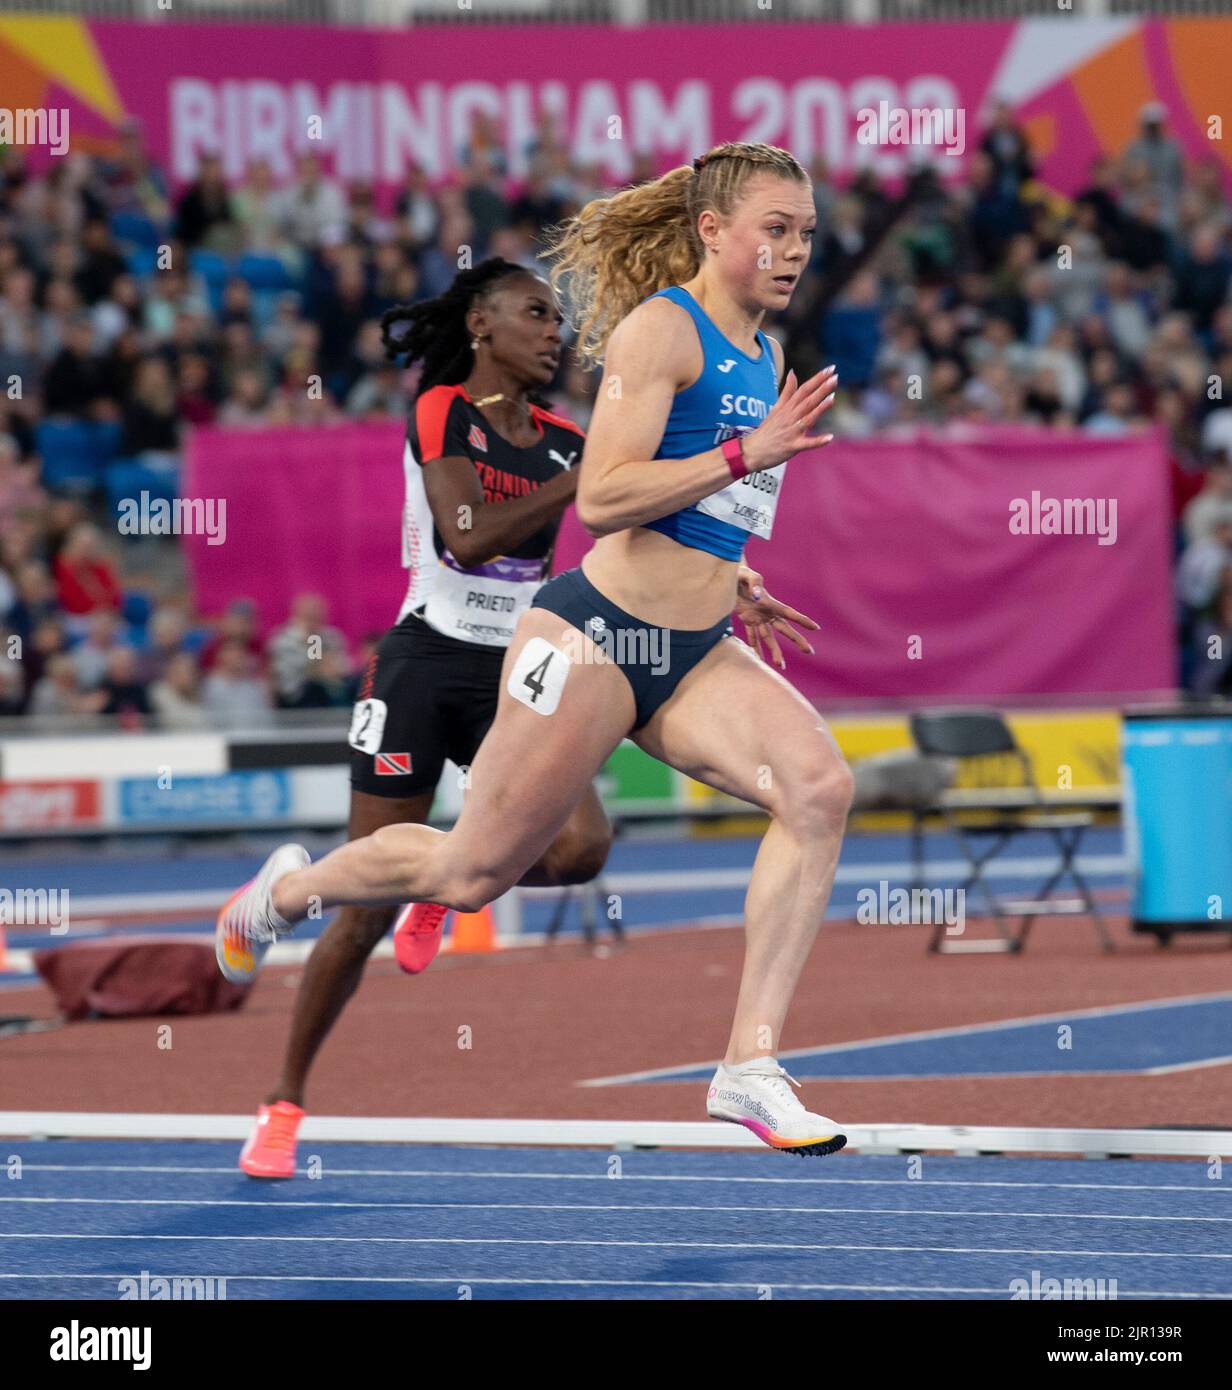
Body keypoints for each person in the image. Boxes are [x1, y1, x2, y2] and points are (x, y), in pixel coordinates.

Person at [218, 143, 848, 1160]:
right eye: (774, 230)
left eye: (805, 234)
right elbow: (602, 499)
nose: (792, 251)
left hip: (693, 644)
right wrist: (745, 451)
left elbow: (708, 509)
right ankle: (286, 892)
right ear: (712, 230)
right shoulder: (659, 333)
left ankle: (747, 1068)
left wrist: (736, 577)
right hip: (594, 635)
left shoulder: (766, 357)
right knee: (468, 873)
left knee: (817, 790)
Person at [220, 256, 613, 1178]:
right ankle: (282, 1101)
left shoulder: (567, 435)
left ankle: (440, 883)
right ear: (481, 326)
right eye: (535, 314)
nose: (554, 332)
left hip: (519, 669)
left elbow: (633, 528)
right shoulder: (442, 409)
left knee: (579, 849)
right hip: (424, 663)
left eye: (559, 320)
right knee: (358, 912)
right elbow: (468, 537)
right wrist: (587, 482)